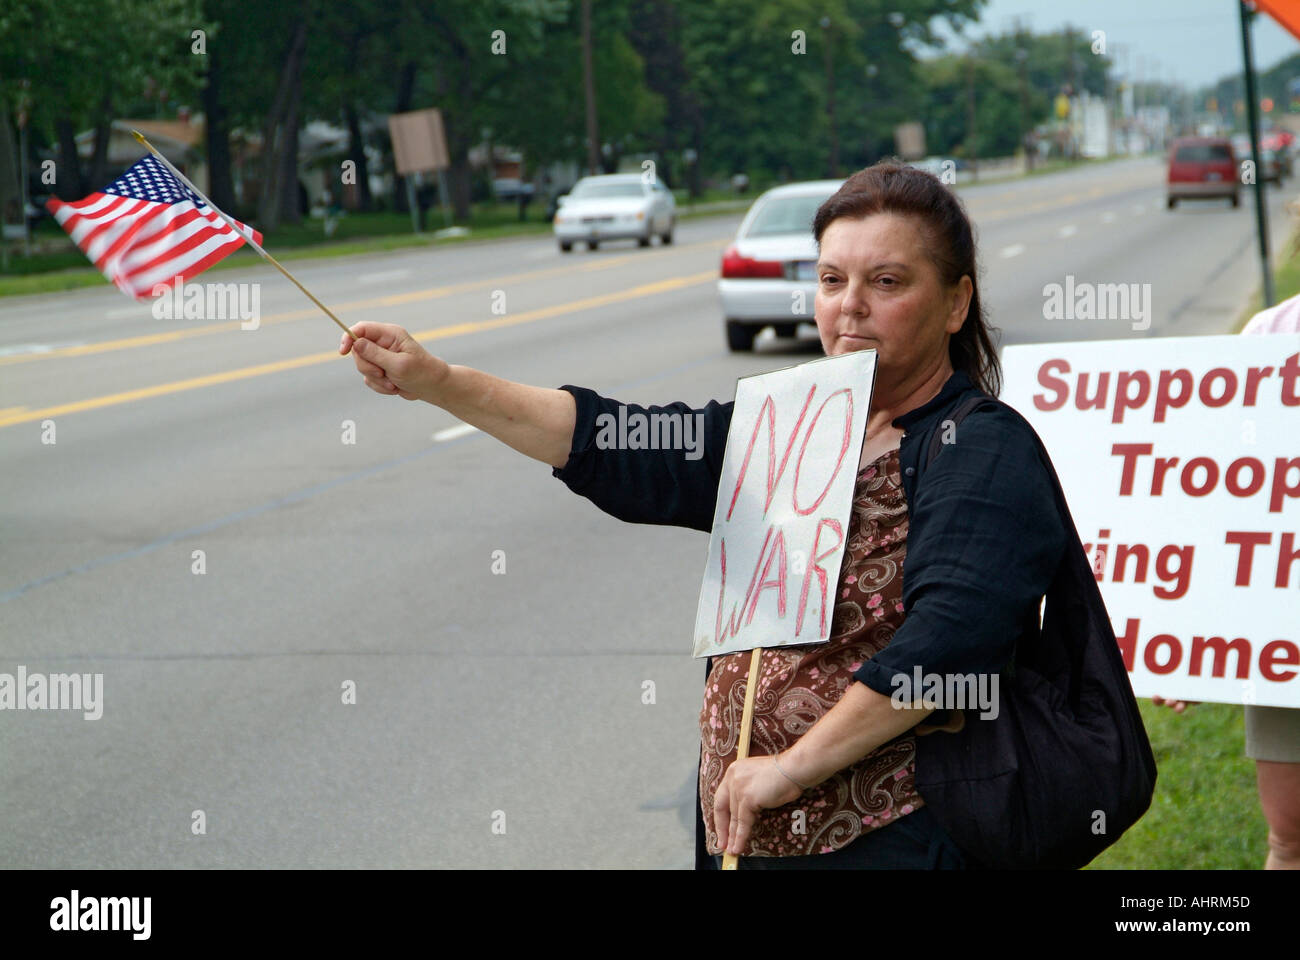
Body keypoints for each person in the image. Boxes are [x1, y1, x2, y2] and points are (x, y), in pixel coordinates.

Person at [337, 162, 1076, 869]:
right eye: (830, 279)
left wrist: (789, 770)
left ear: (955, 302)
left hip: (900, 841)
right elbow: (614, 441)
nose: (850, 303)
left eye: (886, 281)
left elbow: (945, 649)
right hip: (748, 841)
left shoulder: (979, 447)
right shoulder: (786, 426)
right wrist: (438, 382)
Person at [1150, 289, 1300, 870]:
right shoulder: (1271, 333)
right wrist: (1190, 645)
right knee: (1290, 841)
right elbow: (1221, 494)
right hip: (1288, 634)